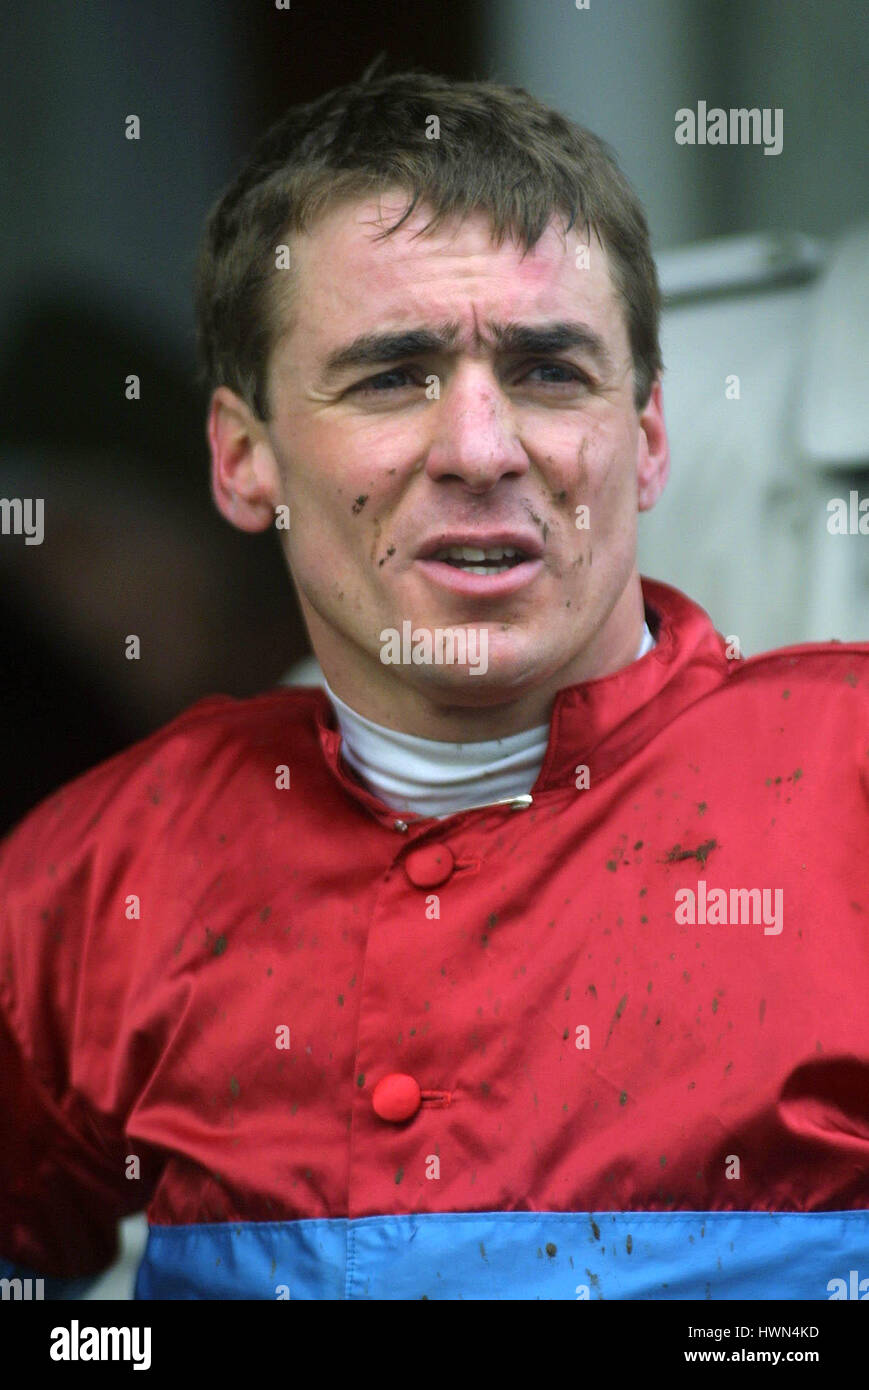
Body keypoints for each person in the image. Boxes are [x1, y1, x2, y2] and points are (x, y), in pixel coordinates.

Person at [1, 67, 867, 1303]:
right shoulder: (95, 877)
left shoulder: (844, 776)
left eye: (548, 372)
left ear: (650, 437)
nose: (478, 447)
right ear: (245, 460)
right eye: (391, 374)